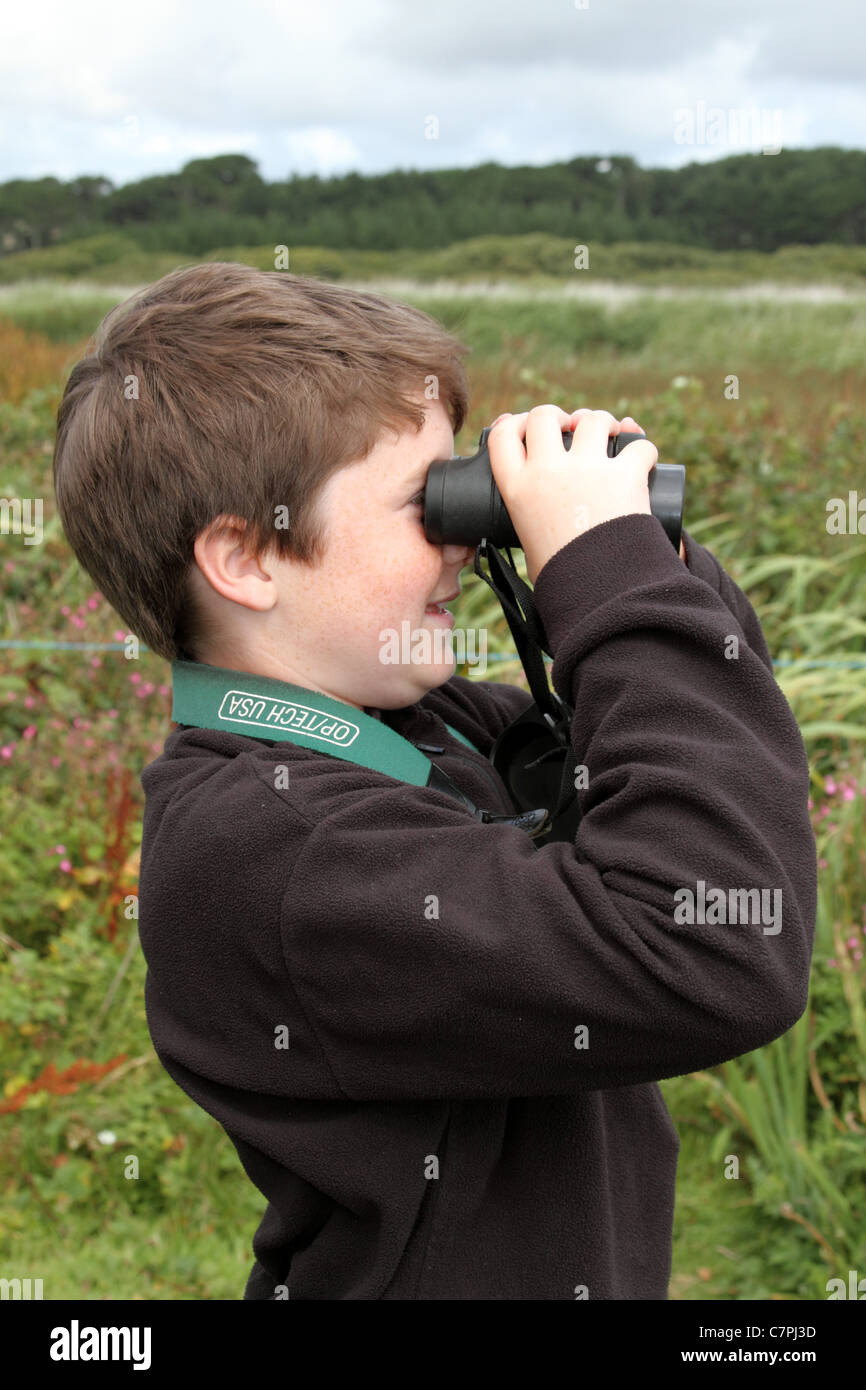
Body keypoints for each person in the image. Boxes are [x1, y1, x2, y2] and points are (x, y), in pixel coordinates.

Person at [52, 262, 816, 1300]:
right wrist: (606, 576)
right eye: (428, 502)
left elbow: (703, 771)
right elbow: (715, 940)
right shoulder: (272, 850)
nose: (462, 537)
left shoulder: (414, 732)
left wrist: (640, 559)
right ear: (245, 557)